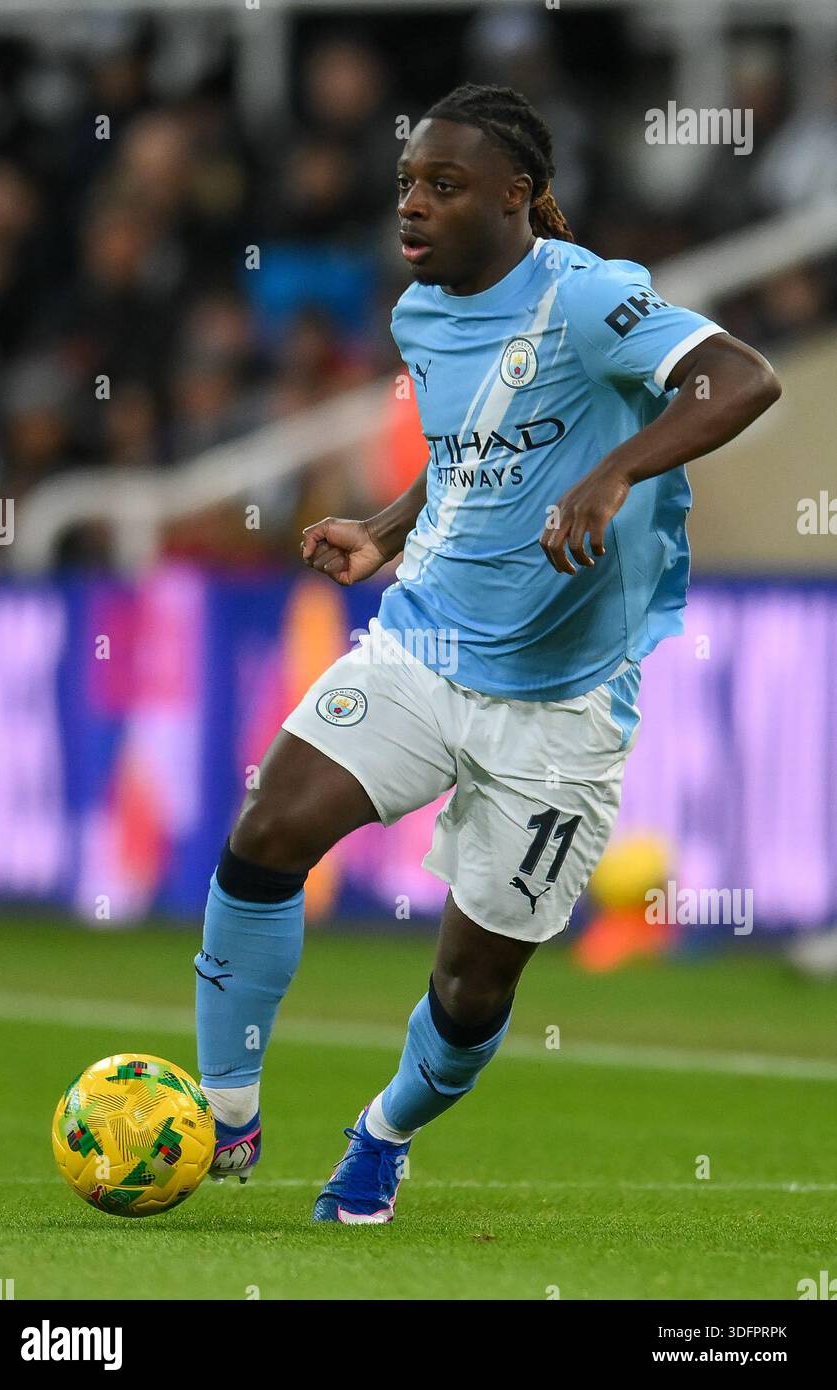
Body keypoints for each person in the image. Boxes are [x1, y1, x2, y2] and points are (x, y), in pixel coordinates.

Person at [194, 84, 781, 1223]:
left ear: (516, 198)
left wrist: (616, 472)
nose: (412, 206)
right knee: (267, 833)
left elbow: (742, 378)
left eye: (443, 187)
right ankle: (223, 1117)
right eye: (407, 184)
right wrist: (383, 528)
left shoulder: (588, 295)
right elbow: (471, 454)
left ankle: (384, 1131)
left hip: (561, 707)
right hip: (423, 644)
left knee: (469, 989)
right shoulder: (423, 312)